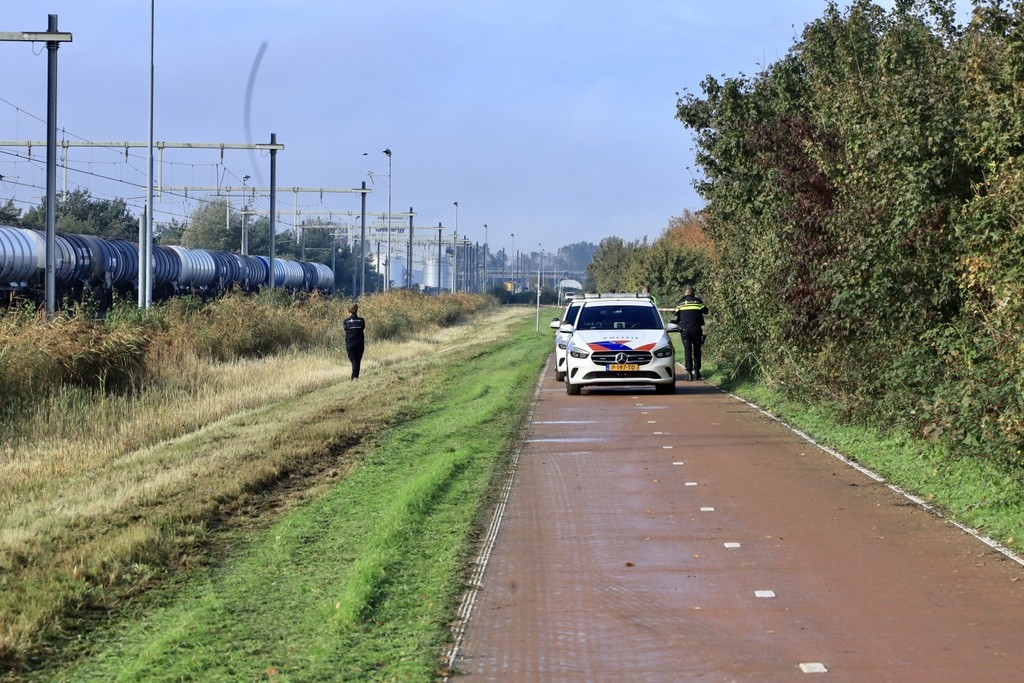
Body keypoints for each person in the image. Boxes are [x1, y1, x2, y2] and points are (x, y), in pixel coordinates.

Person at [674, 285, 709, 381]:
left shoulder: (680, 302)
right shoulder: (698, 301)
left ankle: (689, 373)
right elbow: (706, 311)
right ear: (693, 292)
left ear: (685, 293)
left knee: (687, 351)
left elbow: (676, 315)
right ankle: (697, 372)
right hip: (697, 330)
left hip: (685, 331)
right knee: (697, 351)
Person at [343, 303, 366, 379]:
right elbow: (362, 328)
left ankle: (355, 377)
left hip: (350, 344)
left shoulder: (346, 321)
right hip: (360, 343)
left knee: (353, 360)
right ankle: (355, 376)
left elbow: (345, 329)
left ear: (349, 312)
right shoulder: (361, 320)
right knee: (357, 360)